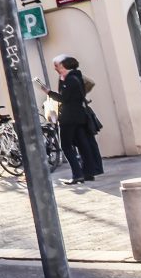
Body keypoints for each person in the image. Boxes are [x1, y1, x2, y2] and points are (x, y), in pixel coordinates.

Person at [37, 55, 103, 185]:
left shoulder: (71, 80)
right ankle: (88, 173)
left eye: (57, 65)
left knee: (66, 146)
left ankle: (77, 174)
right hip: (78, 117)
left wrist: (49, 92)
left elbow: (65, 99)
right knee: (83, 144)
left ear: (63, 65)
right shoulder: (73, 77)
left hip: (69, 117)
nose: (55, 68)